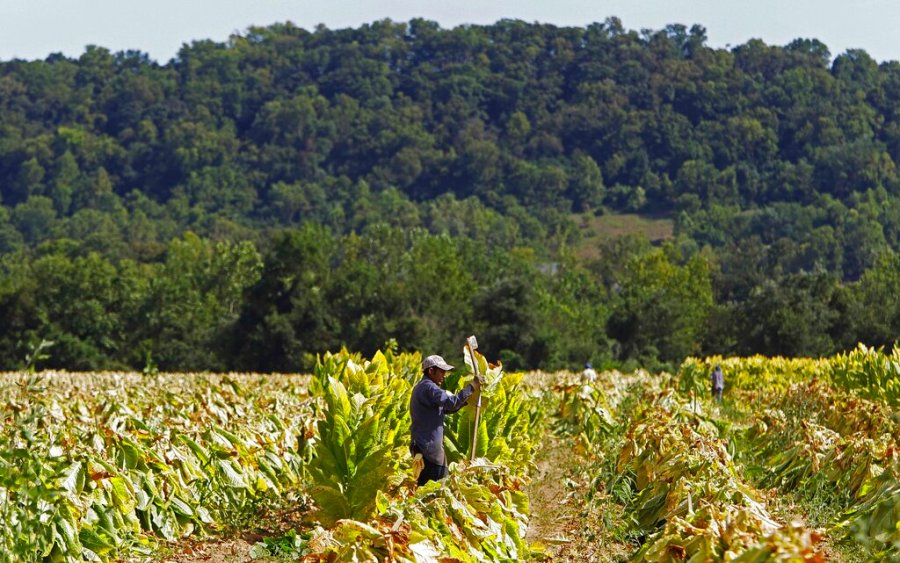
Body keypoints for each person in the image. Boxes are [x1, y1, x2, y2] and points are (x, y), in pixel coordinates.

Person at [409, 354, 482, 486]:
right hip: (430, 450)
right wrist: (473, 386)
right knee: (440, 488)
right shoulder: (430, 387)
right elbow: (451, 403)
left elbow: (445, 409)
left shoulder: (420, 387)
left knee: (423, 490)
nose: (444, 375)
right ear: (431, 371)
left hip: (420, 446)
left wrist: (465, 402)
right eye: (441, 371)